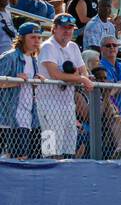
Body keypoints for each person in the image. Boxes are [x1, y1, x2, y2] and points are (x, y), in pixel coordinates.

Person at [37, 14, 93, 158]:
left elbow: (83, 71)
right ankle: (48, 171)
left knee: (68, 148)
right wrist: (80, 78)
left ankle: (64, 172)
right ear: (54, 28)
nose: (67, 31)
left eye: (70, 28)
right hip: (48, 104)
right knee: (50, 150)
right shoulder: (48, 46)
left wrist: (80, 77)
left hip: (68, 104)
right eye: (63, 28)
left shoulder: (73, 47)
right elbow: (55, 74)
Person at [0, 22, 44, 158]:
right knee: (17, 157)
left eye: (39, 37)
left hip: (29, 115)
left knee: (24, 157)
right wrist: (15, 80)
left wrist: (35, 81)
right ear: (22, 38)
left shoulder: (34, 59)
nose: (36, 41)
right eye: (32, 37)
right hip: (11, 116)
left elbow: (27, 86)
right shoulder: (10, 56)